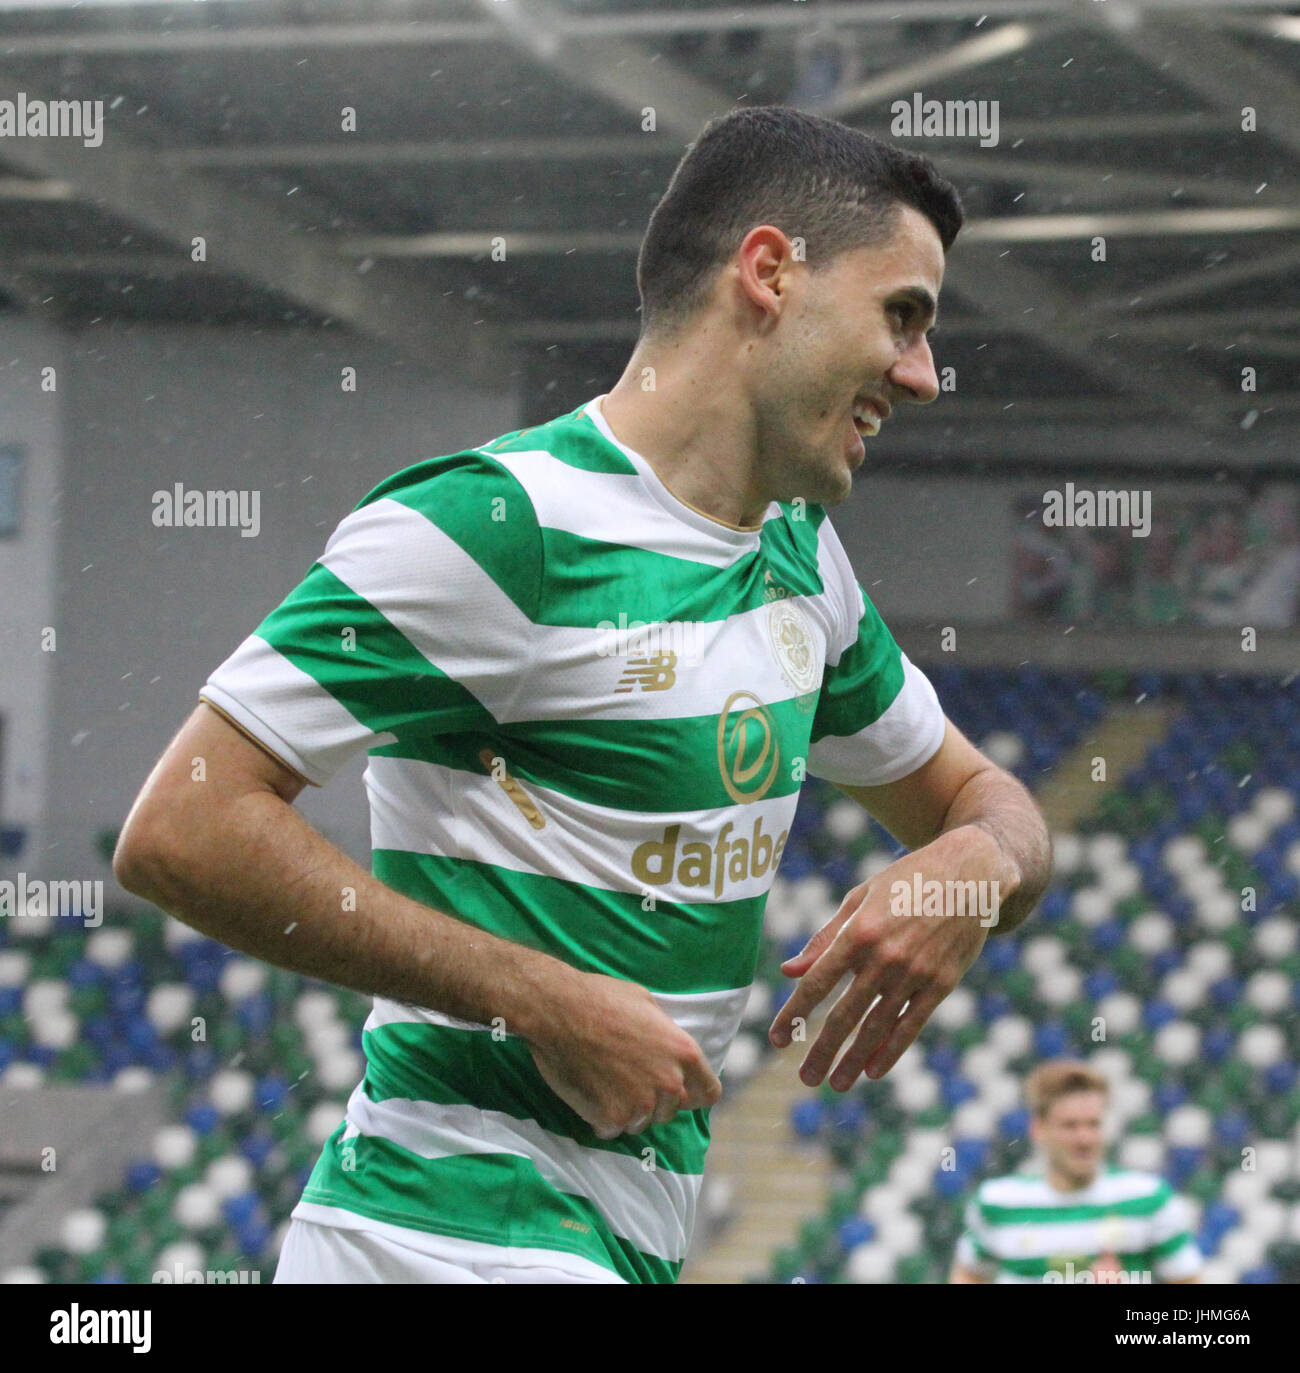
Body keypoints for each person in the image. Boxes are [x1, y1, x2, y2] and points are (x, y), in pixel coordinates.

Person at [114, 105, 1052, 1285]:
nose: (921, 375)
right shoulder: (501, 522)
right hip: (450, 1229)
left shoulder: (801, 563)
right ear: (768, 273)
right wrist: (538, 997)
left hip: (610, 1235)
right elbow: (183, 827)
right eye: (901, 316)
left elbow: (987, 803)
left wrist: (971, 865)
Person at [949, 1060, 1201, 1284]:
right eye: (1070, 1126)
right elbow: (969, 1274)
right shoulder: (998, 1203)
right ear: (1039, 1129)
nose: (1084, 1139)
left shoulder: (1148, 1199)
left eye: (1094, 1124)